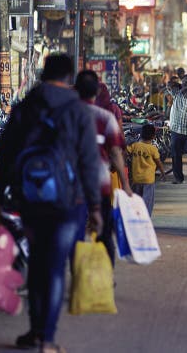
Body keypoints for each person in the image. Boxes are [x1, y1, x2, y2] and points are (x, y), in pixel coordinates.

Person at [0, 54, 102, 353]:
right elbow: (89, 162)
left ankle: (34, 330)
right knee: (54, 268)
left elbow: (5, 156)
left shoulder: (25, 106)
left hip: (29, 200)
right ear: (69, 77)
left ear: (43, 74)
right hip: (69, 202)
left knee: (38, 263)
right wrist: (95, 206)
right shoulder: (78, 110)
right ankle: (47, 339)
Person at [74, 70, 132, 265]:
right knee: (104, 233)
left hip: (70, 185)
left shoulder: (63, 116)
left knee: (74, 234)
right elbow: (115, 152)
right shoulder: (106, 117)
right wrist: (125, 183)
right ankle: (104, 277)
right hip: (100, 184)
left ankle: (77, 279)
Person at [128, 124, 165, 216]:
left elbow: (125, 152)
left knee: (136, 199)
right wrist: (162, 172)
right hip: (148, 180)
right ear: (153, 136)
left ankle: (136, 216)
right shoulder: (153, 149)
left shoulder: (135, 146)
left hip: (136, 178)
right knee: (147, 201)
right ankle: (145, 218)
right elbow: (158, 162)